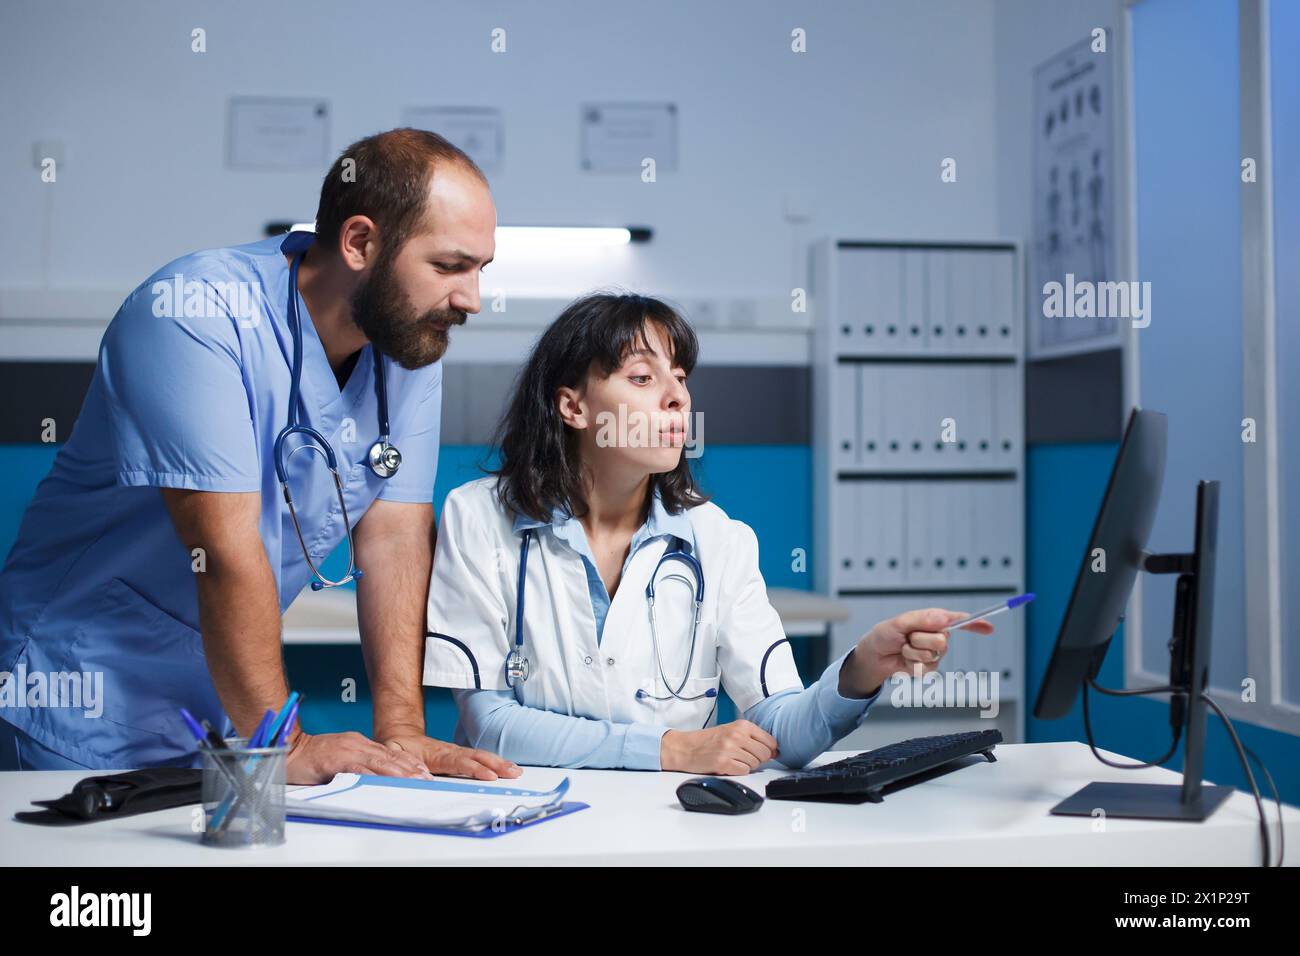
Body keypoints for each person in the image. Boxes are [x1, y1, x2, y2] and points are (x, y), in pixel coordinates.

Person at [0, 128, 519, 784]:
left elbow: (394, 538)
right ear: (360, 242)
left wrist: (402, 729)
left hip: (224, 706)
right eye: (449, 267)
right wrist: (287, 743)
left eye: (481, 270)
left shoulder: (407, 341)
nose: (471, 298)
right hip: (79, 692)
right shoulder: (195, 312)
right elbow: (222, 545)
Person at [421, 293, 993, 773]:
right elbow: (490, 725)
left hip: (671, 831)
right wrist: (668, 748)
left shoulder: (718, 539)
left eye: (680, 377)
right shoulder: (477, 518)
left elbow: (783, 729)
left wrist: (863, 668)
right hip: (526, 829)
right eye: (642, 377)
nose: (677, 396)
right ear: (572, 406)